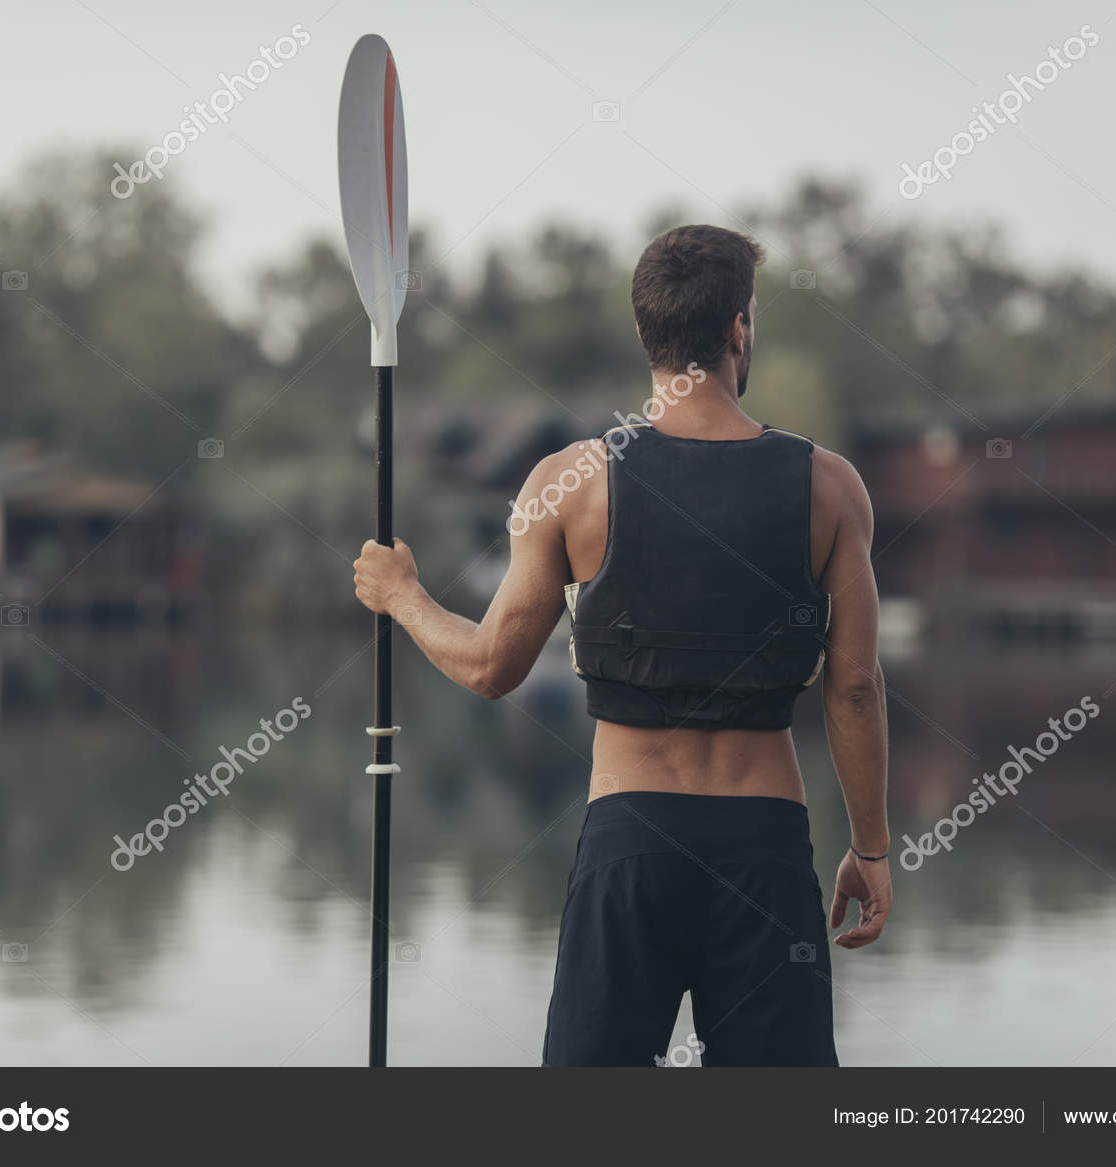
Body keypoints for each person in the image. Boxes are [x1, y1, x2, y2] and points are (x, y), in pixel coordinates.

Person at [352, 224, 890, 1066]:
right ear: (739, 329)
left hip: (630, 842)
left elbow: (493, 666)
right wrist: (871, 847)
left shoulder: (571, 483)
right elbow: (854, 688)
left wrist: (402, 597)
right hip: (765, 849)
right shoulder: (830, 486)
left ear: (647, 333)